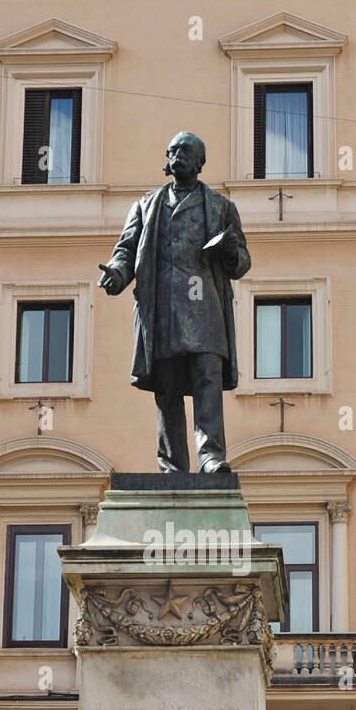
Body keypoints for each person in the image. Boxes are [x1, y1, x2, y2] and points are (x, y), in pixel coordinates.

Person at [98, 132, 251, 474]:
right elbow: (125, 250)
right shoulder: (146, 205)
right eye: (173, 151)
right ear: (167, 160)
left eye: (186, 151)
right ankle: (172, 466)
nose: (179, 156)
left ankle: (210, 457)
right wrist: (118, 274)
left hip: (205, 308)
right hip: (162, 310)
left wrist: (229, 250)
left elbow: (241, 262)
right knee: (166, 388)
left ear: (200, 162)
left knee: (207, 380)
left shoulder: (222, 207)